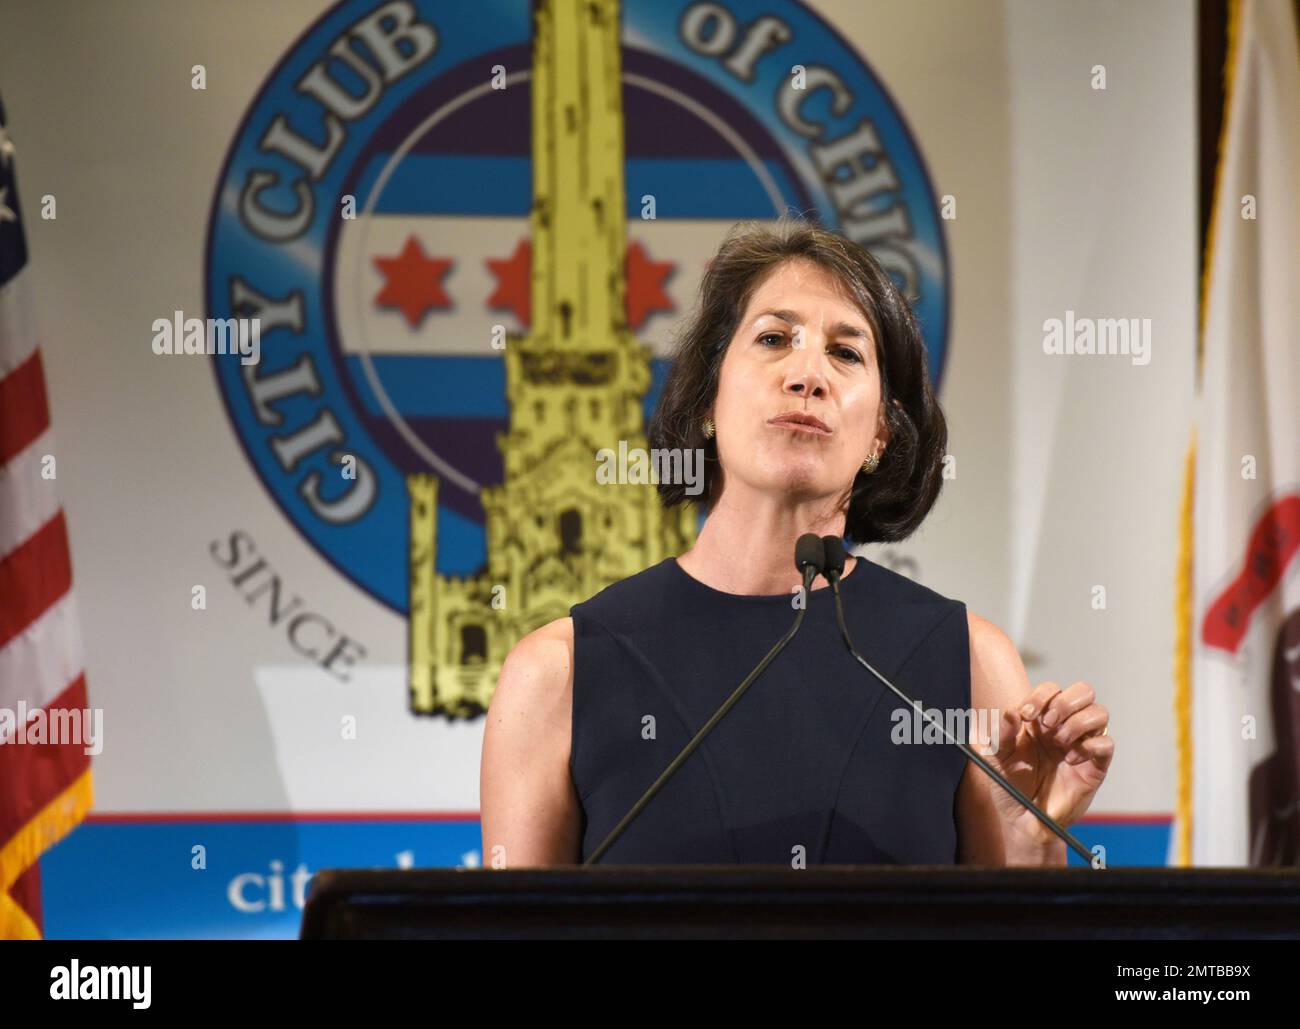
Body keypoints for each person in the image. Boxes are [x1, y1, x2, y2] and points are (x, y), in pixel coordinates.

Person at [480, 215, 1112, 867]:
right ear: (706, 398)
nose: (808, 375)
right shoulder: (556, 674)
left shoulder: (971, 666)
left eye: (846, 352)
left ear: (881, 435)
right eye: (775, 337)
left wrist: (1029, 844)